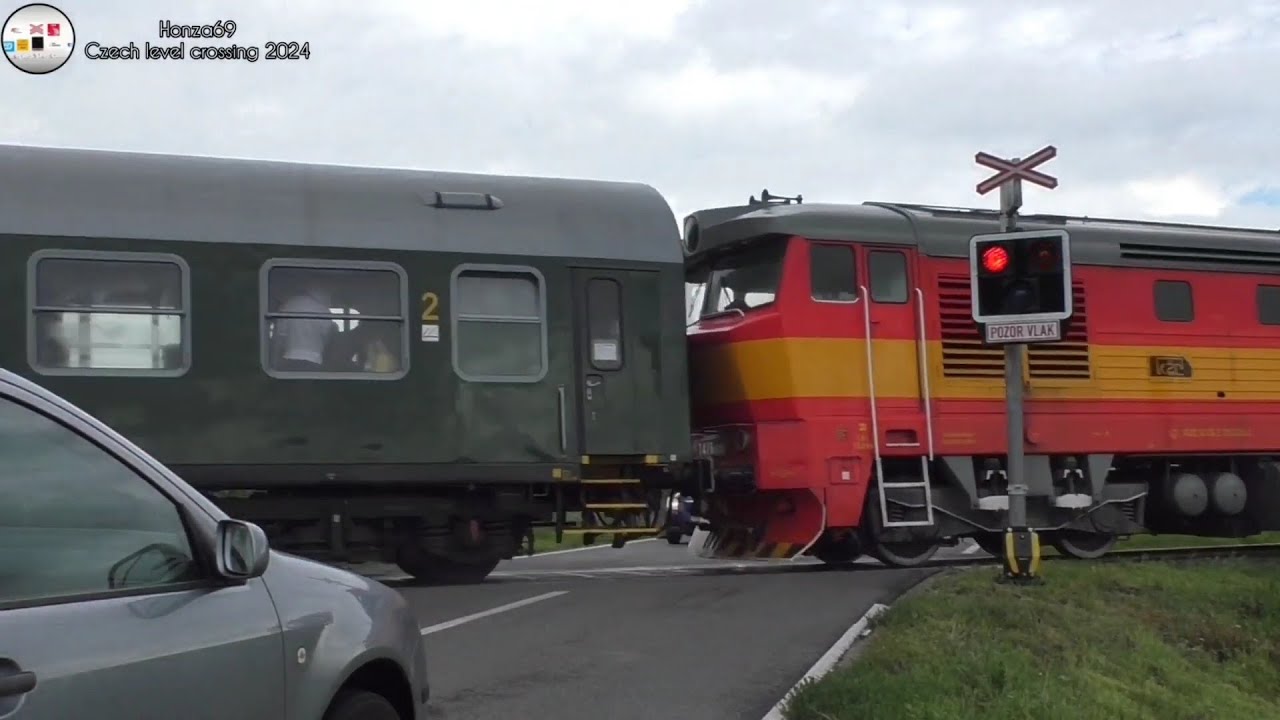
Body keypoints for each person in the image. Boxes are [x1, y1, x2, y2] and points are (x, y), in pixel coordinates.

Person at [274, 286, 336, 372]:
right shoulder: (323, 310)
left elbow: (280, 335)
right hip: (315, 360)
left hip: (289, 357)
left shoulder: (287, 306)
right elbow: (327, 337)